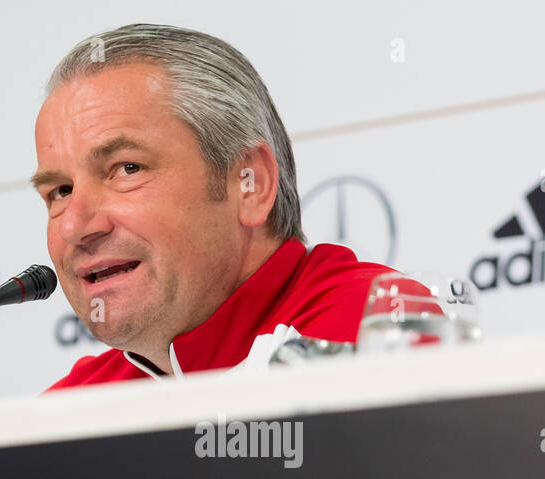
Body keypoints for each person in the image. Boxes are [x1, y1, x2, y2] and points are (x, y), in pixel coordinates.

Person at [34, 23, 403, 390]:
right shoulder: (70, 405)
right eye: (61, 191)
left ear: (250, 185)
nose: (75, 226)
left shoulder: (377, 336)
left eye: (127, 169)